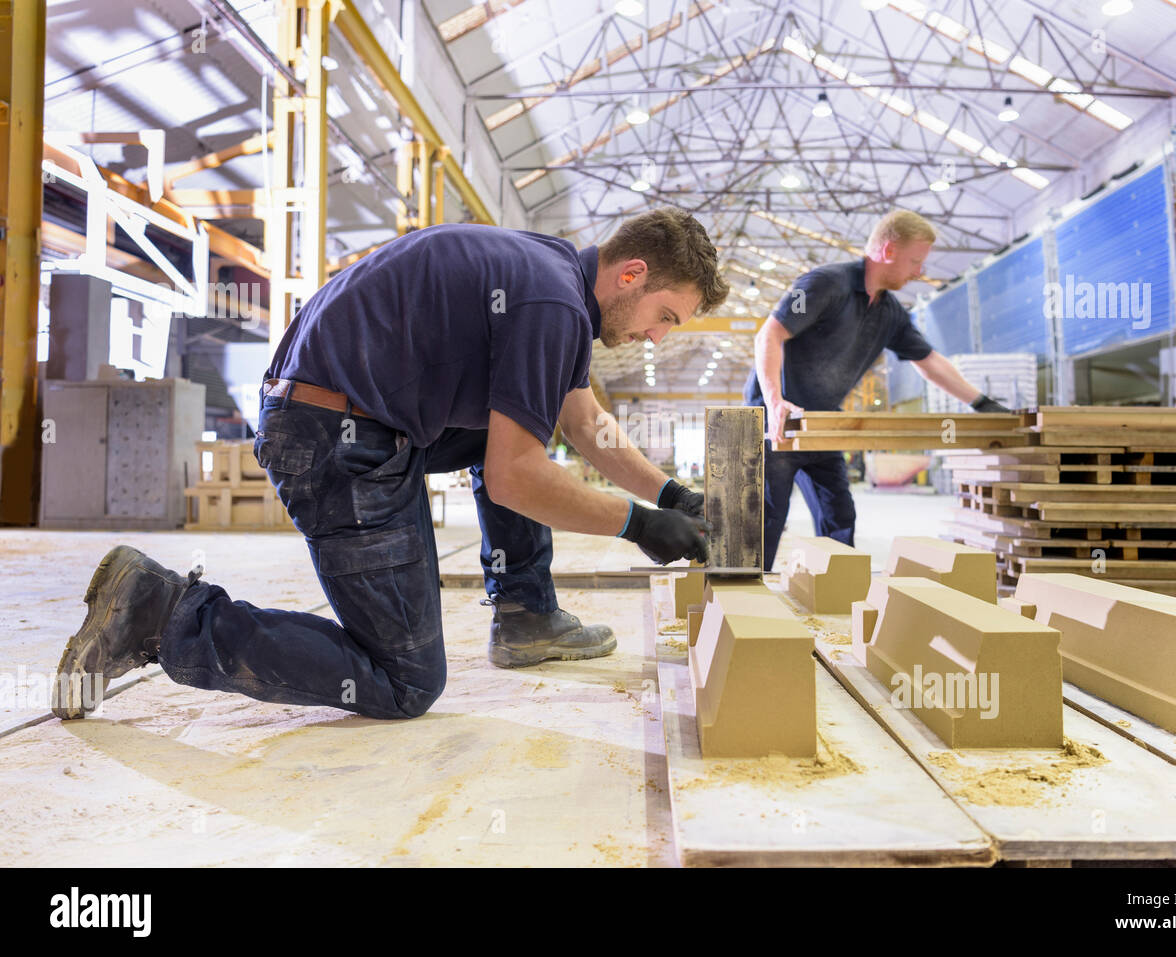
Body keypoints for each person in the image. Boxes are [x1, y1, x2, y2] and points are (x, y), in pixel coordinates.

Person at [53, 208, 729, 721]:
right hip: (329, 438)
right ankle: (163, 611)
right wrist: (639, 525)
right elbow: (514, 475)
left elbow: (584, 422)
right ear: (631, 275)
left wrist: (673, 495)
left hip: (346, 412)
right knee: (406, 680)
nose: (659, 335)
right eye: (664, 315)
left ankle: (526, 613)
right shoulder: (552, 303)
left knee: (519, 428)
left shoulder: (554, 278)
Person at [744, 209, 1009, 571]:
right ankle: (745, 607)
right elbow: (769, 335)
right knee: (767, 520)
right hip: (778, 421)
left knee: (839, 516)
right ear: (887, 250)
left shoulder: (890, 313)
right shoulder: (824, 284)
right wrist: (774, 403)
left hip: (822, 423)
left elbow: (930, 361)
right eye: (915, 261)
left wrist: (983, 404)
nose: (920, 272)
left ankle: (835, 597)